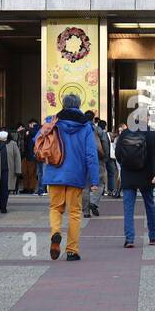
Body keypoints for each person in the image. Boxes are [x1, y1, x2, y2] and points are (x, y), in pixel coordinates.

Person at [40, 94, 100, 262]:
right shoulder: (86, 126)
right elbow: (91, 154)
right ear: (79, 105)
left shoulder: (52, 121)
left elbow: (38, 142)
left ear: (63, 105)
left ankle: (56, 233)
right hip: (76, 175)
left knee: (55, 208)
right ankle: (72, 251)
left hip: (54, 173)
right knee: (74, 213)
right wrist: (94, 180)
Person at [116, 112, 155, 248]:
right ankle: (153, 236)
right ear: (147, 119)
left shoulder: (125, 134)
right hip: (147, 176)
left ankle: (130, 239)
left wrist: (126, 166)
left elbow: (118, 154)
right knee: (149, 205)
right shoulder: (153, 134)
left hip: (128, 175)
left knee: (128, 208)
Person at [81, 110, 109, 218]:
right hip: (98, 160)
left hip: (83, 161)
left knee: (85, 186)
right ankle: (93, 202)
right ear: (93, 119)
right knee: (100, 182)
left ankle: (86, 212)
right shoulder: (98, 130)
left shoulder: (80, 130)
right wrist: (105, 157)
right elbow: (105, 143)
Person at [20, 118, 39, 194]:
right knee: (24, 172)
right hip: (25, 155)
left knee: (31, 173)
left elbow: (33, 132)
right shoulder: (28, 132)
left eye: (32, 124)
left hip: (32, 155)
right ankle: (26, 188)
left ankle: (31, 188)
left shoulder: (36, 131)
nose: (31, 126)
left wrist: (25, 130)